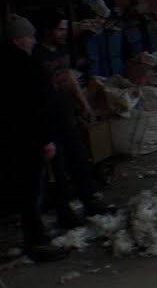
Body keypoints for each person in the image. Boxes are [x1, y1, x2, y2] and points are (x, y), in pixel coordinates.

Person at [1, 14, 69, 263]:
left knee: (25, 191)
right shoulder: (24, 66)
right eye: (29, 36)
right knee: (31, 191)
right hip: (27, 141)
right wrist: (45, 139)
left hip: (11, 140)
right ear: (19, 38)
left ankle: (36, 235)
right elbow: (33, 108)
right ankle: (37, 242)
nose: (32, 40)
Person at [33, 13, 108, 222]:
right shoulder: (37, 56)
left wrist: (84, 104)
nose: (64, 33)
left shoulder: (63, 49)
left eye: (65, 29)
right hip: (51, 121)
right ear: (48, 30)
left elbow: (71, 78)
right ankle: (65, 213)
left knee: (80, 161)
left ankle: (89, 202)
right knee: (59, 169)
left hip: (69, 117)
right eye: (60, 29)